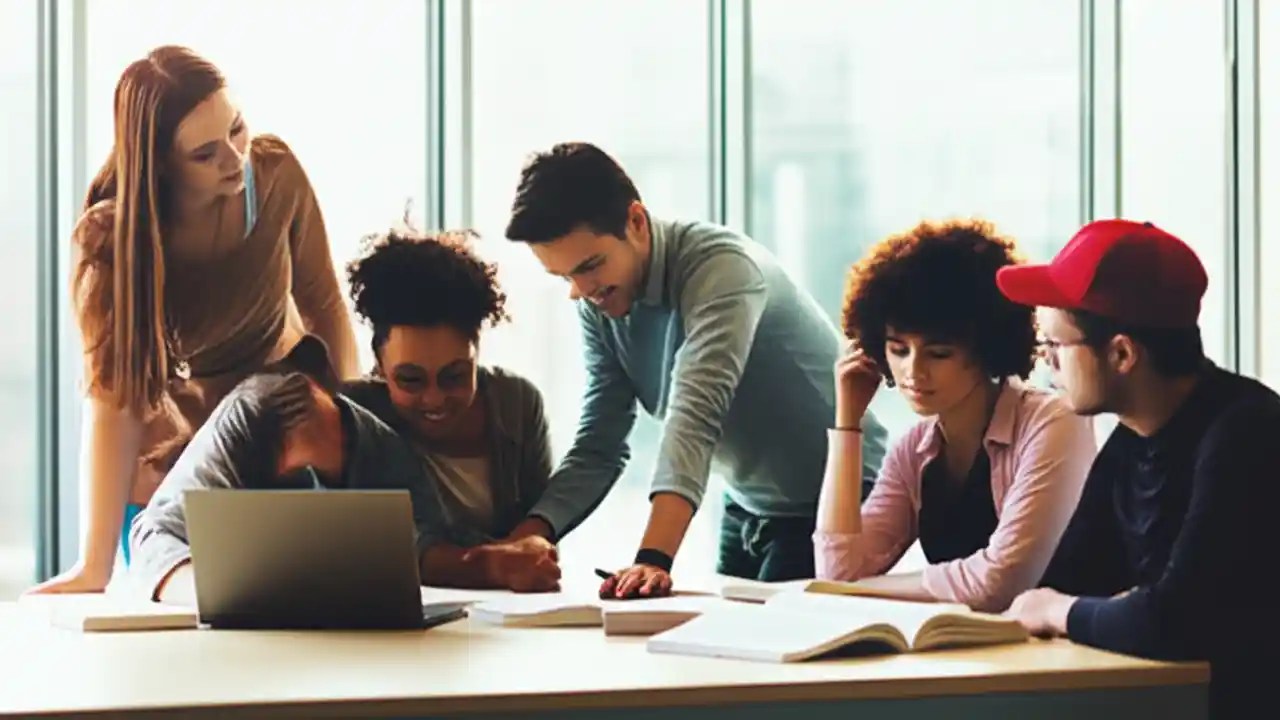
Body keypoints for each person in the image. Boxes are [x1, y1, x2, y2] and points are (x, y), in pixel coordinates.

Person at [29, 46, 360, 595]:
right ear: (159, 162)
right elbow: (114, 397)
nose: (234, 159)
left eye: (236, 130)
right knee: (203, 608)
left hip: (275, 432)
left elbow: (325, 305)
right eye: (205, 154)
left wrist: (349, 450)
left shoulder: (276, 174)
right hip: (176, 464)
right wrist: (94, 565)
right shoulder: (111, 239)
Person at [502, 142, 889, 597]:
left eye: (589, 266)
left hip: (839, 507)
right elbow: (599, 443)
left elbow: (695, 414)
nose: (580, 291)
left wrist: (652, 559)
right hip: (746, 507)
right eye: (564, 277)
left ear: (637, 222)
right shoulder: (598, 302)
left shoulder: (722, 269)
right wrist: (524, 538)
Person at [998, 219, 1275, 718]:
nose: (1046, 366)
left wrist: (1065, 611)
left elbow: (1170, 622)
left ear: (1122, 353)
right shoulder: (1130, 440)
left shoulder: (1247, 433)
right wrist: (1089, 608)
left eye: (1056, 348)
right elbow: (1067, 586)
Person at [130, 336, 560, 605]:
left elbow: (421, 548)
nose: (433, 400)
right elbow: (153, 534)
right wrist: (215, 595)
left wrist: (491, 563)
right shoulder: (251, 412)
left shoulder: (386, 451)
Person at [813, 219, 1095, 612]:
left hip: (1071, 661)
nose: (914, 370)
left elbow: (997, 583)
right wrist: (847, 423)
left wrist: (859, 590)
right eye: (898, 349)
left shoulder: (1052, 422)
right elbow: (837, 572)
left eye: (939, 353)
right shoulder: (915, 449)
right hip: (973, 657)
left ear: (984, 350)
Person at [340, 226, 561, 591]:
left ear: (477, 354)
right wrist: (489, 565)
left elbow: (536, 538)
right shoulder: (356, 414)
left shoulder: (517, 405)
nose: (434, 399)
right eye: (410, 380)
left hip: (504, 620)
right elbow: (371, 548)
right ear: (380, 365)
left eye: (455, 376)